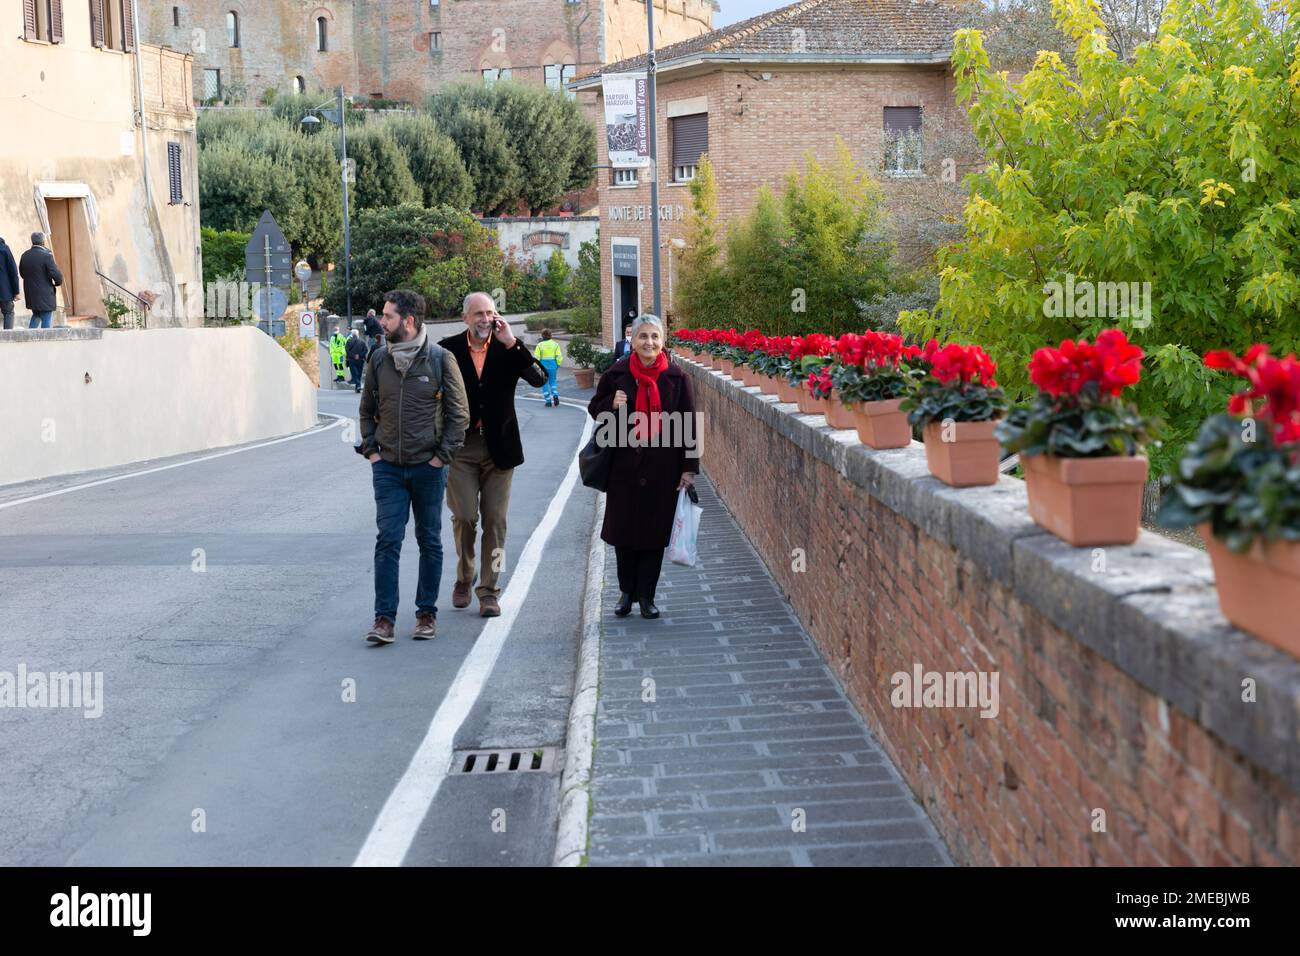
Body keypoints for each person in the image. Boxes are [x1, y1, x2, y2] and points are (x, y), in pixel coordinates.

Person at [357, 289, 469, 644]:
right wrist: (372, 452)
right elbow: (365, 409)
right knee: (388, 540)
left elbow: (459, 415)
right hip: (388, 467)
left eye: (388, 316)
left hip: (428, 468)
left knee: (429, 540)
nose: (381, 321)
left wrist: (441, 458)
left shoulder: (439, 359)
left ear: (407, 321)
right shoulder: (378, 359)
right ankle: (384, 619)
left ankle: (425, 614)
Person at [439, 292, 546, 617]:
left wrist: (513, 342)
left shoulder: (507, 346)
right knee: (466, 517)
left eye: (490, 312)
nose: (485, 319)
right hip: (460, 448)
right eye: (478, 314)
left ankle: (489, 590)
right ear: (465, 318)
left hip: (501, 448)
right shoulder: (447, 350)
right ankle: (464, 574)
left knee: (496, 523)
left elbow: (540, 379)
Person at [588, 314, 699, 619]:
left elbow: (688, 425)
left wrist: (688, 469)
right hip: (623, 468)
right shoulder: (616, 373)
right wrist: (612, 403)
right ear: (632, 341)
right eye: (643, 337)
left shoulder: (677, 378)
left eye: (654, 337)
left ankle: (647, 596)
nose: (649, 343)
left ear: (663, 342)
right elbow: (594, 410)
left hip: (663, 469)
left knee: (653, 536)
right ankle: (626, 593)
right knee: (623, 534)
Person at [19, 232, 62, 330]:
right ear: (43, 242)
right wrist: (58, 282)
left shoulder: (25, 255)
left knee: (36, 315)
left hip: (31, 293)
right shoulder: (47, 256)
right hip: (45, 295)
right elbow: (56, 275)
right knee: (46, 318)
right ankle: (45, 343)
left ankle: (29, 338)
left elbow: (22, 273)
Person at [534, 329, 564, 407]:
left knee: (544, 383)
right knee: (553, 381)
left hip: (543, 366)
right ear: (551, 335)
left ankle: (548, 401)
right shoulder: (555, 344)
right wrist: (558, 364)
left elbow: (536, 358)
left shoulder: (539, 345)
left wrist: (537, 367)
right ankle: (555, 395)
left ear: (542, 336)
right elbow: (559, 356)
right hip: (553, 365)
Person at [0, 235, 18, 331]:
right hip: (4, 290)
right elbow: (13, 271)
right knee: (8, 313)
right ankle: (8, 339)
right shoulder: (5, 249)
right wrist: (16, 291)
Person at [345, 328, 368, 392]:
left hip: (352, 360)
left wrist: (353, 356)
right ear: (358, 334)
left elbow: (347, 351)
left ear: (352, 334)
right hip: (360, 360)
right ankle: (358, 387)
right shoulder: (362, 341)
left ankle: (358, 385)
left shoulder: (349, 341)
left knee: (354, 373)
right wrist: (359, 355)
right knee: (359, 374)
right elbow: (366, 350)